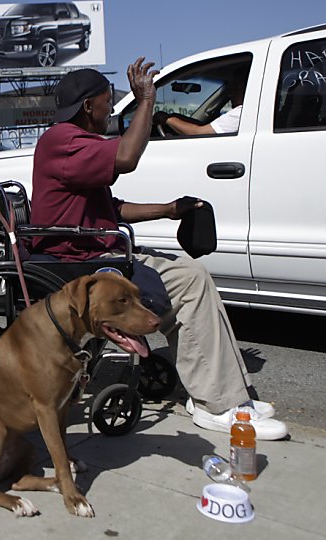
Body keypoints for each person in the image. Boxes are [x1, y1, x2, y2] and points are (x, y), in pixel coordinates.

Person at [30, 62, 288, 440]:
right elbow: (126, 159)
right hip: (81, 263)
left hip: (99, 252)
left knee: (187, 274)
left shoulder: (75, 145)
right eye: (106, 102)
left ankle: (230, 393)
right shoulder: (62, 139)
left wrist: (168, 209)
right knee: (189, 282)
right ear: (88, 106)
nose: (109, 109)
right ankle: (216, 404)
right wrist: (147, 100)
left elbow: (111, 208)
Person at [154, 77, 245, 135]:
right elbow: (202, 125)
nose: (230, 94)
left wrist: (166, 119)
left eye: (236, 89)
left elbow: (197, 132)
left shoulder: (241, 113)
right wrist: (176, 118)